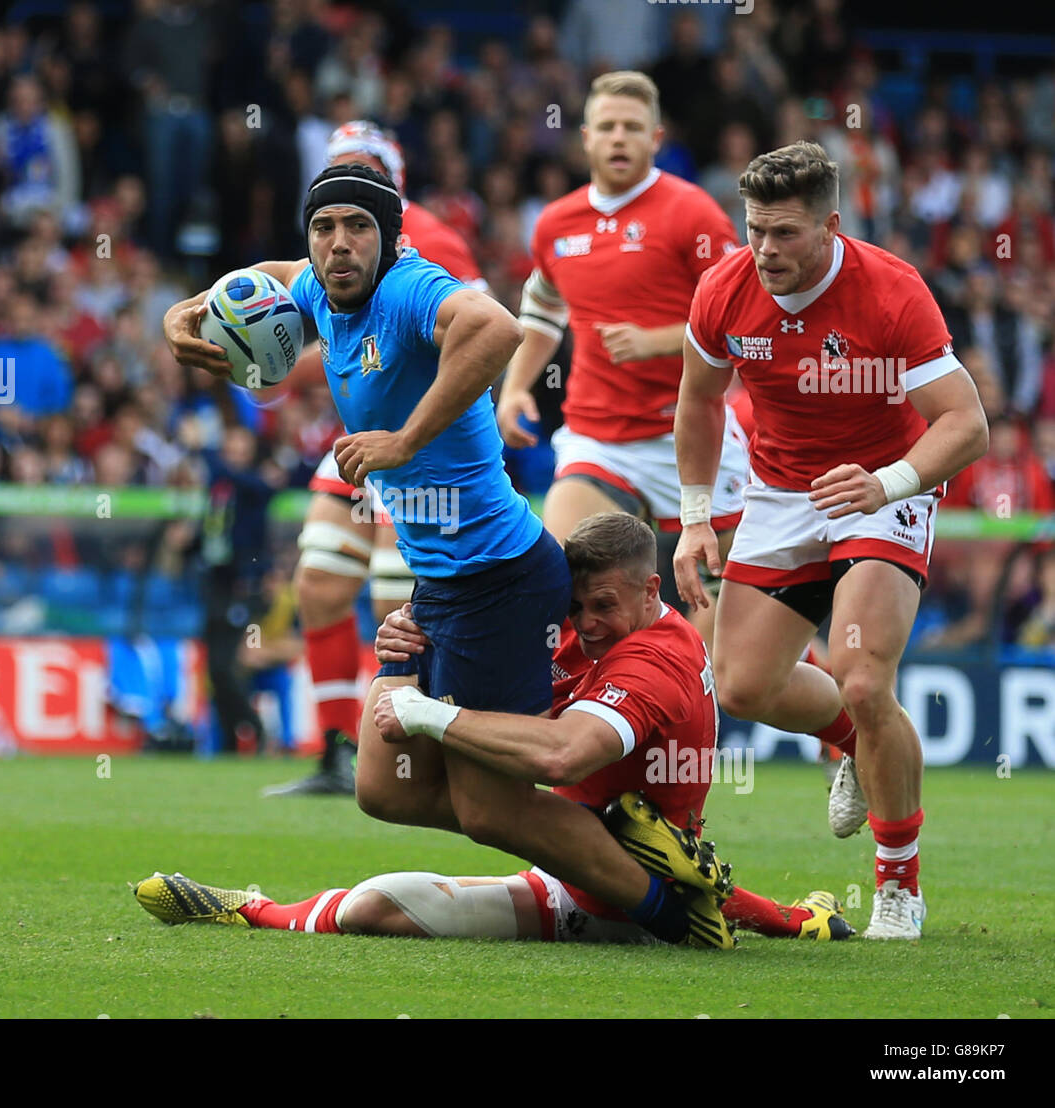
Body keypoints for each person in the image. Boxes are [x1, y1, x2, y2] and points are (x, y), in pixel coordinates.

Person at [165, 170, 723, 947]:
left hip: (501, 579)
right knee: (382, 788)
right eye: (323, 227)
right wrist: (181, 314)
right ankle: (604, 843)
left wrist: (406, 440)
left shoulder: (408, 288)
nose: (338, 243)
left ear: (390, 236)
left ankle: (674, 913)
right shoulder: (320, 289)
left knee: (491, 810)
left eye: (357, 226)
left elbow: (497, 326)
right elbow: (271, 276)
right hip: (443, 582)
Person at [134, 514, 854, 945]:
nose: (588, 624)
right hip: (585, 847)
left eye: (603, 605)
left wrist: (432, 714)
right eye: (578, 607)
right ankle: (789, 918)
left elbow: (568, 756)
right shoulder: (579, 626)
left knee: (373, 908)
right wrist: (407, 656)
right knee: (382, 791)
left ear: (651, 590)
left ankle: (248, 909)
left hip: (619, 880)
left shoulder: (657, 661)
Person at [673, 141, 990, 940]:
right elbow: (700, 402)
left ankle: (898, 885)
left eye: (784, 234)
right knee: (739, 686)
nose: (765, 250)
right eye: (754, 230)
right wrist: (695, 515)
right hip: (782, 494)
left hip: (884, 489)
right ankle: (852, 746)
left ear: (832, 225)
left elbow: (967, 422)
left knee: (860, 677)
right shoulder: (724, 289)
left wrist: (889, 485)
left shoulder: (891, 291)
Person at [268, 121, 486, 797]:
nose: (347, 174)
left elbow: (477, 337)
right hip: (358, 442)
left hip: (419, 449)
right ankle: (336, 751)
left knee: (401, 597)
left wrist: (281, 371)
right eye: (337, 165)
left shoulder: (431, 240)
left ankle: (423, 747)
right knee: (319, 584)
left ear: (393, 179)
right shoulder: (332, 238)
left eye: (363, 165)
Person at [495, 71, 748, 643]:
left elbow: (742, 323)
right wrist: (514, 388)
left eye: (632, 128)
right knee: (562, 586)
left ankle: (816, 702)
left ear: (656, 137)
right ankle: (585, 727)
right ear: (583, 137)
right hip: (598, 436)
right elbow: (542, 308)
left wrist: (656, 339)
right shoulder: (556, 224)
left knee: (722, 653)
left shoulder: (693, 214)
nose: (618, 138)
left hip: (687, 438)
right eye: (606, 126)